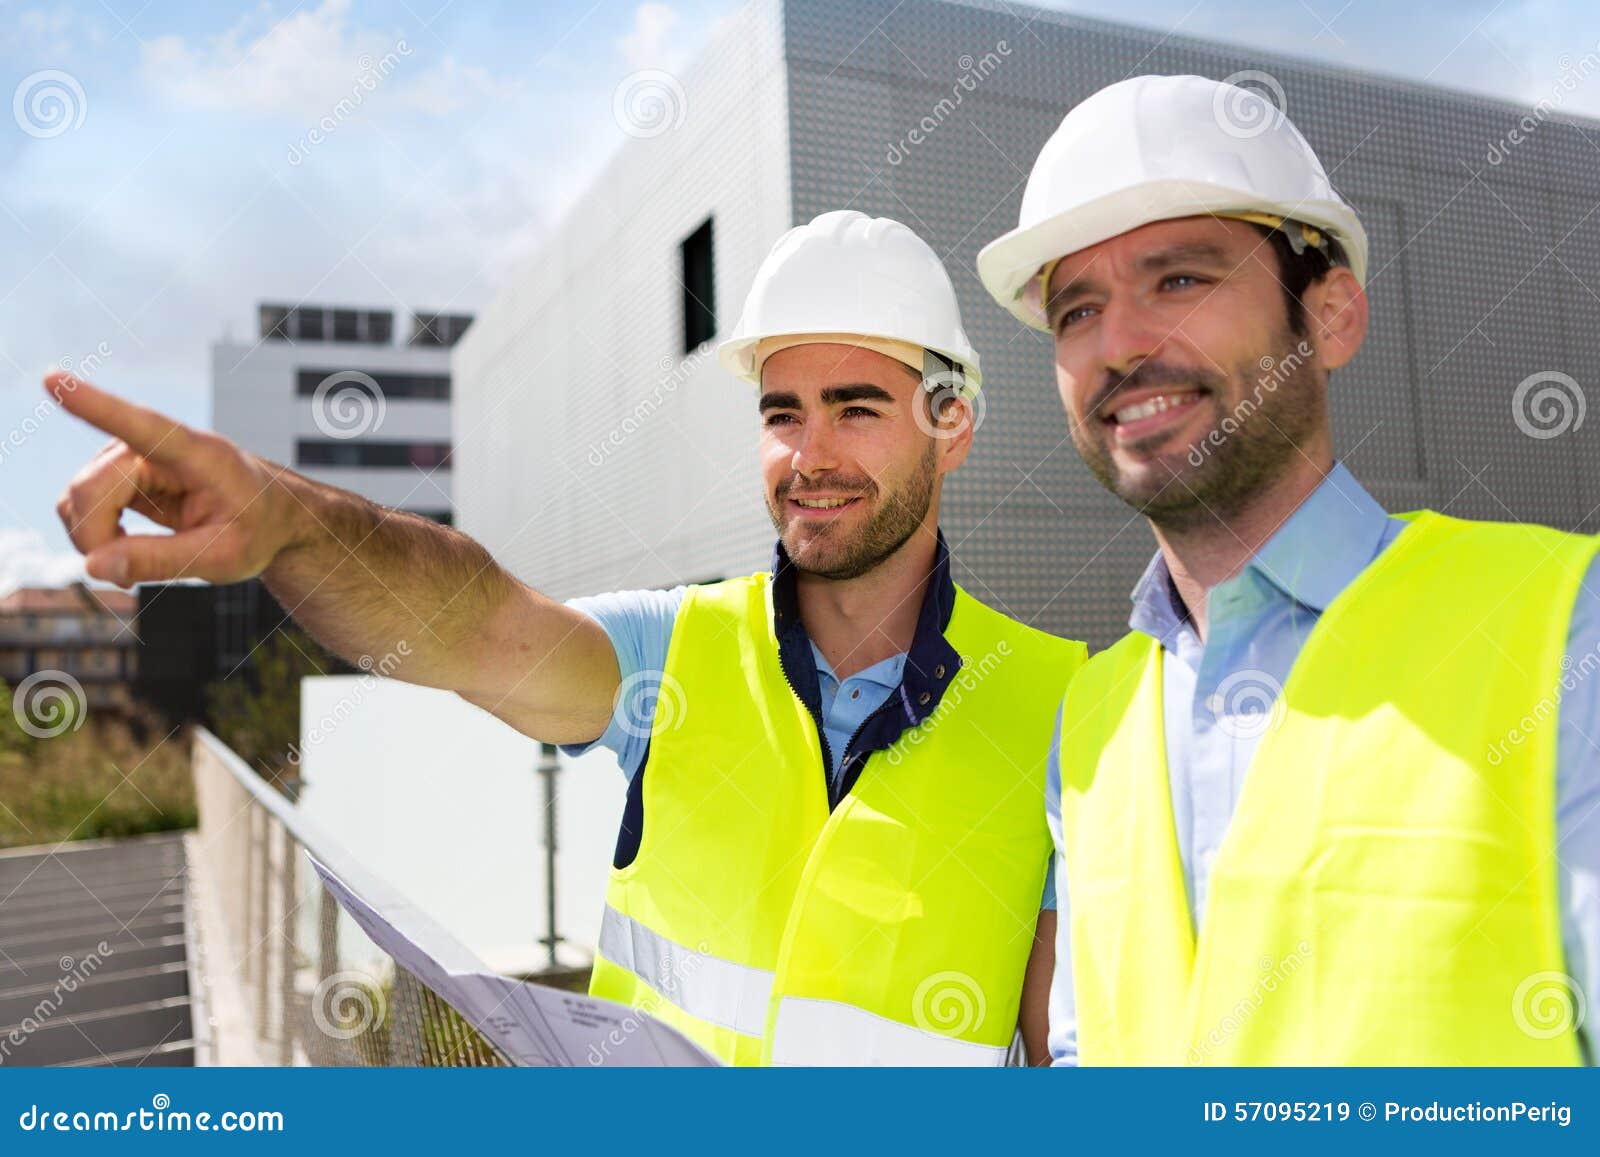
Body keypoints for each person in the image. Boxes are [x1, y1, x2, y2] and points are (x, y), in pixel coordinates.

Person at [50, 209, 1084, 1066]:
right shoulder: (676, 650)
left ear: (951, 423)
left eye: (855, 409)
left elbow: (1058, 1053)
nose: (808, 455)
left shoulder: (1062, 706)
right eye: (782, 413)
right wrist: (289, 521)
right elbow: (476, 623)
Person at [976, 73, 1598, 1065]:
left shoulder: (1563, 628)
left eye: (1180, 280)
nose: (1120, 344)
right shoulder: (1091, 723)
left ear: (1332, 316)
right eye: (1076, 310)